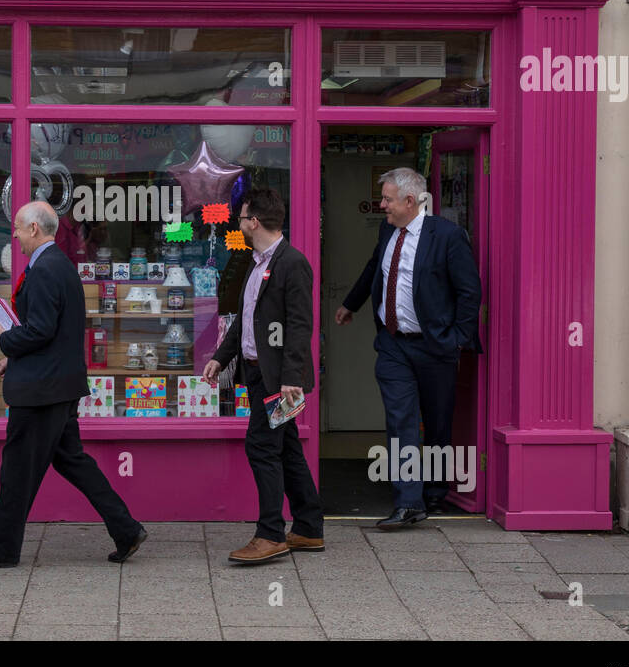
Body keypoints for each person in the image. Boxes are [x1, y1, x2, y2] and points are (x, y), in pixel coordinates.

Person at [0, 201, 147, 569]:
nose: (14, 235)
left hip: (42, 391)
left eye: (17, 228)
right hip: (58, 384)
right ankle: (125, 528)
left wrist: (7, 341)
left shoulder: (45, 269)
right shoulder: (58, 265)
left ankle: (2, 548)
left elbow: (40, 329)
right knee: (73, 461)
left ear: (34, 229)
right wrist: (14, 357)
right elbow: (53, 330)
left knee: (16, 470)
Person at [336, 167, 482, 530]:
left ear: (410, 201)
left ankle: (435, 489)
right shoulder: (388, 230)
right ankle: (409, 501)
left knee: (437, 422)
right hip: (393, 345)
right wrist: (350, 304)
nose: (382, 205)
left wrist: (457, 338)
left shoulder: (447, 236)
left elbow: (469, 291)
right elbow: (375, 269)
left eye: (387, 199)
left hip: (434, 345)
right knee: (400, 421)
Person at [204, 188, 324, 564]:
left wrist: (290, 378)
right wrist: (221, 357)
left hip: (278, 382)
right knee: (286, 448)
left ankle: (270, 534)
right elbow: (247, 320)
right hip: (258, 375)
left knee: (262, 447)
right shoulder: (255, 263)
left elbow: (301, 326)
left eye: (241, 218)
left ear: (254, 222)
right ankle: (307, 527)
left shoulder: (293, 263)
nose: (238, 224)